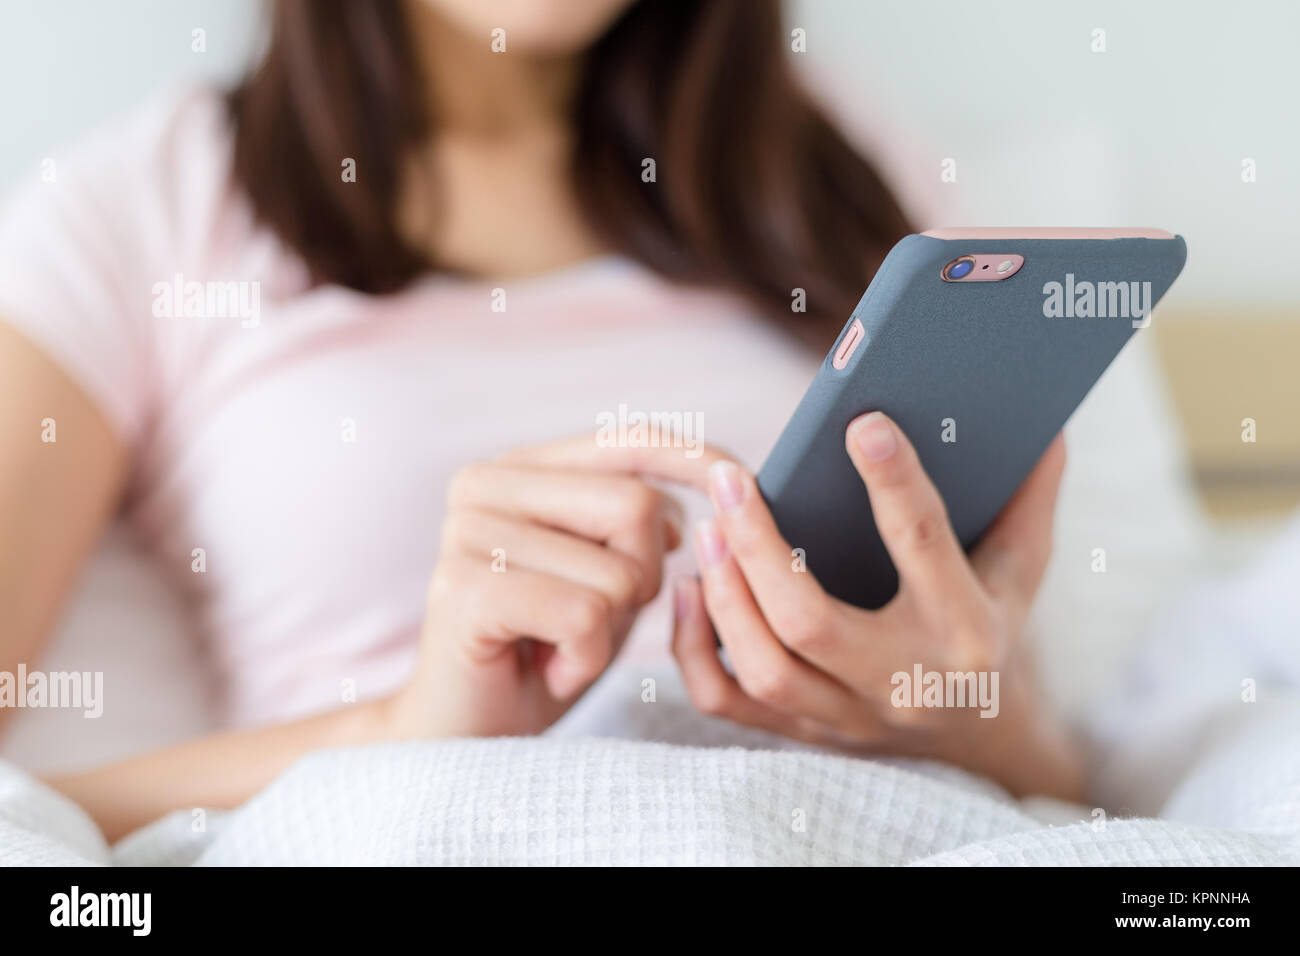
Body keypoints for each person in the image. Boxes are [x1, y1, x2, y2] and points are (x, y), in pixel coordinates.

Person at [0, 0, 1081, 842]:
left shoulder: (832, 171)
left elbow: (1060, 780)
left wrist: (952, 703)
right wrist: (397, 730)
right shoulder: (137, 212)